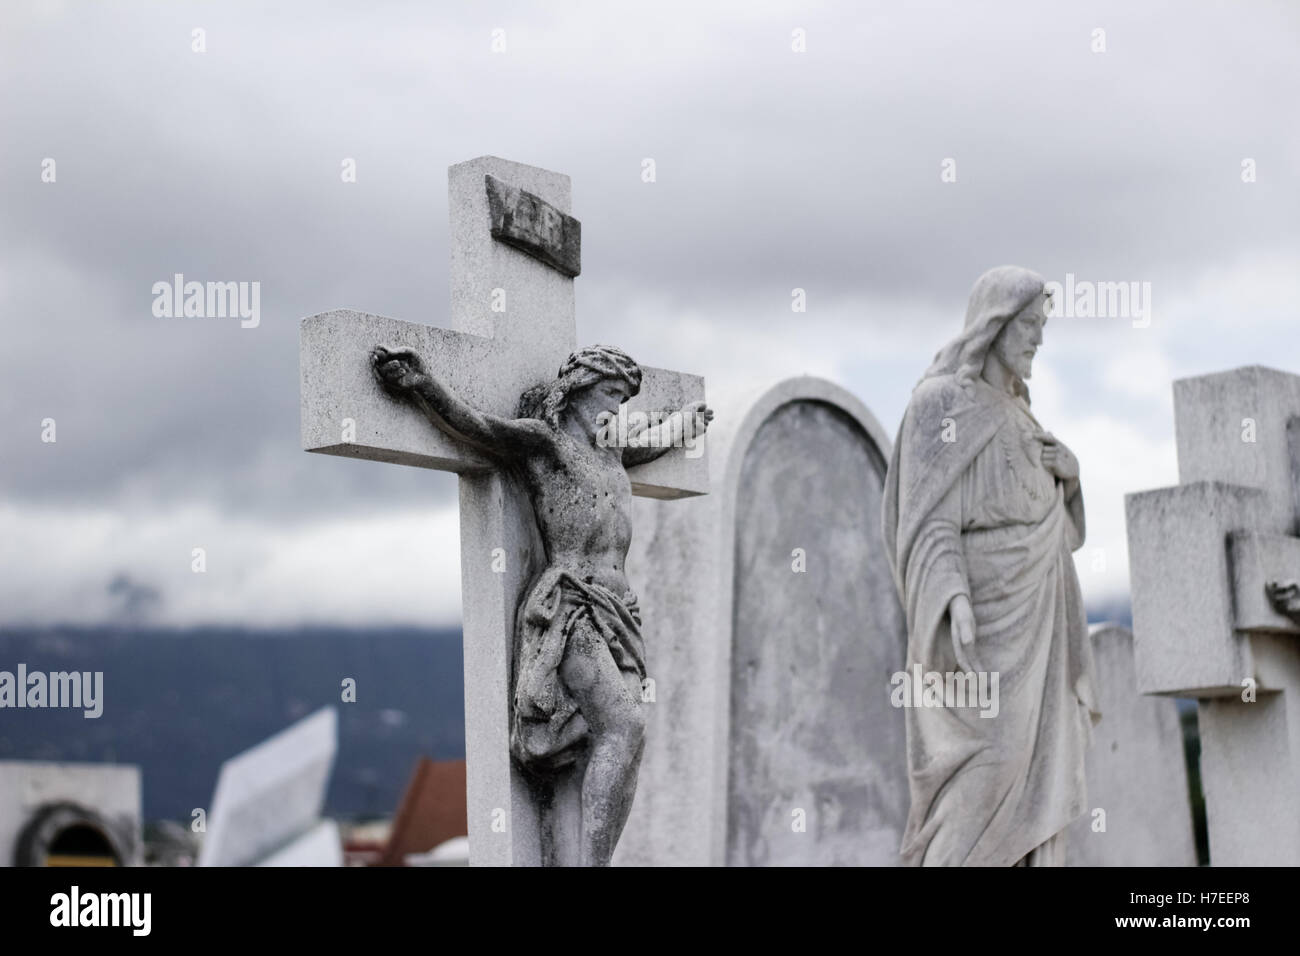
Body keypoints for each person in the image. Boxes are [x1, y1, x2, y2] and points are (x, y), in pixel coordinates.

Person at [372, 343, 712, 866]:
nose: (615, 410)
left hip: (620, 613)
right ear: (577, 390)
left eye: (623, 401)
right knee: (626, 725)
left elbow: (646, 445)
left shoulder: (613, 451)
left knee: (622, 734)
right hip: (570, 605)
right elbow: (479, 428)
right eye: (609, 395)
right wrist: (422, 385)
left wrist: (683, 425)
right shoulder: (545, 444)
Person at [882, 265, 1099, 866]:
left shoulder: (1025, 417)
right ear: (995, 323)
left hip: (1038, 625)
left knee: (1040, 771)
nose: (1038, 339)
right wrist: (950, 596)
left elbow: (1059, 530)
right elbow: (926, 520)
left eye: (1042, 326)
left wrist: (1072, 477)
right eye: (1028, 325)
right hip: (977, 629)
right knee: (984, 773)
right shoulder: (940, 404)